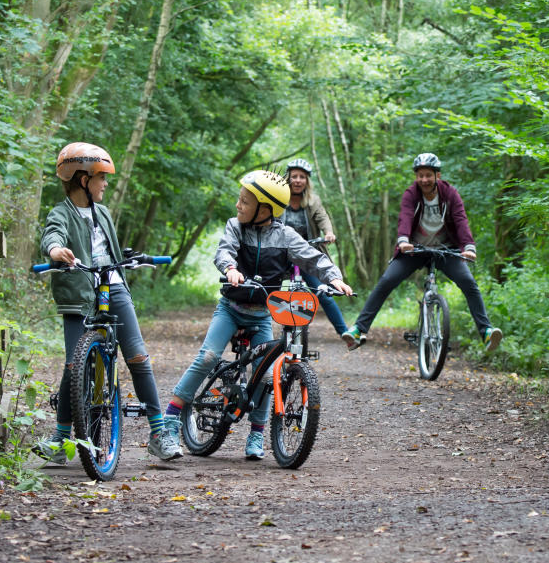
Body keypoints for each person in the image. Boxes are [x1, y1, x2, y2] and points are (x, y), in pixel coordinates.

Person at [164, 170, 353, 460]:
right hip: (231, 309)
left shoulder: (285, 235)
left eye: (244, 201)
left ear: (265, 209)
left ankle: (256, 434)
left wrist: (334, 277)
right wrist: (230, 269)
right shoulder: (235, 227)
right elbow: (224, 252)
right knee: (208, 357)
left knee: (266, 375)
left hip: (262, 314)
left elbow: (313, 258)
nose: (238, 205)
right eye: (240, 200)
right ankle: (171, 419)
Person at [33, 142, 181, 465]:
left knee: (138, 356)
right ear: (83, 179)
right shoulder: (61, 213)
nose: (106, 184)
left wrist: (128, 257)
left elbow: (108, 250)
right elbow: (52, 235)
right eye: (101, 178)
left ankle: (158, 433)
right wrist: (56, 251)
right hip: (80, 295)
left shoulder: (104, 213)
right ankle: (60, 440)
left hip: (112, 287)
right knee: (75, 364)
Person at [342, 153, 503, 353]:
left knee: (469, 283)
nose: (424, 180)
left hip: (446, 250)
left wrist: (468, 246)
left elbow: (461, 220)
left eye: (428, 175)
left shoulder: (450, 194)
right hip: (415, 250)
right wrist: (403, 240)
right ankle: (359, 329)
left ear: (438, 175)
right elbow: (405, 218)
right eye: (420, 175)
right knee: (386, 280)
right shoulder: (411, 194)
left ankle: (486, 331)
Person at [281, 158, 349, 337]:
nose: (297, 180)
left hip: (306, 257)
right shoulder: (279, 199)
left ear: (307, 181)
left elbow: (322, 218)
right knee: (265, 288)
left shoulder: (313, 201)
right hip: (280, 255)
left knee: (323, 292)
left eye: (302, 177)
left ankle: (345, 333)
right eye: (294, 176)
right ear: (288, 178)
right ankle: (255, 328)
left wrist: (328, 232)